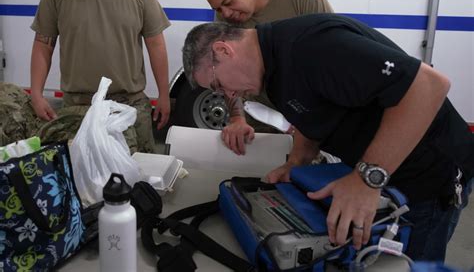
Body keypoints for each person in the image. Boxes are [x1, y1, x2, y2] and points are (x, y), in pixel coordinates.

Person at [181, 14, 474, 262]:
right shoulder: (271, 68)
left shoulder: (312, 46)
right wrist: (297, 162)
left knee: (407, 265)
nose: (229, 96)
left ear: (223, 50)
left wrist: (366, 178)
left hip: (429, 179)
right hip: (388, 178)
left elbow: (428, 85)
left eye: (219, 86)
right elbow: (310, 114)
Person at [30, 0, 171, 153]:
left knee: (141, 176)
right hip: (78, 106)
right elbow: (44, 45)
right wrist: (36, 93)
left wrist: (164, 95)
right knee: (82, 179)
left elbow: (156, 45)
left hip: (130, 105)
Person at [203, 0, 334, 157]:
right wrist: (238, 119)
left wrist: (312, 120)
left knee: (306, 176)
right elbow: (228, 74)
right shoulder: (225, 18)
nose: (226, 14)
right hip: (261, 116)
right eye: (218, 9)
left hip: (308, 116)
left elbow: (330, 59)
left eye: (229, 3)